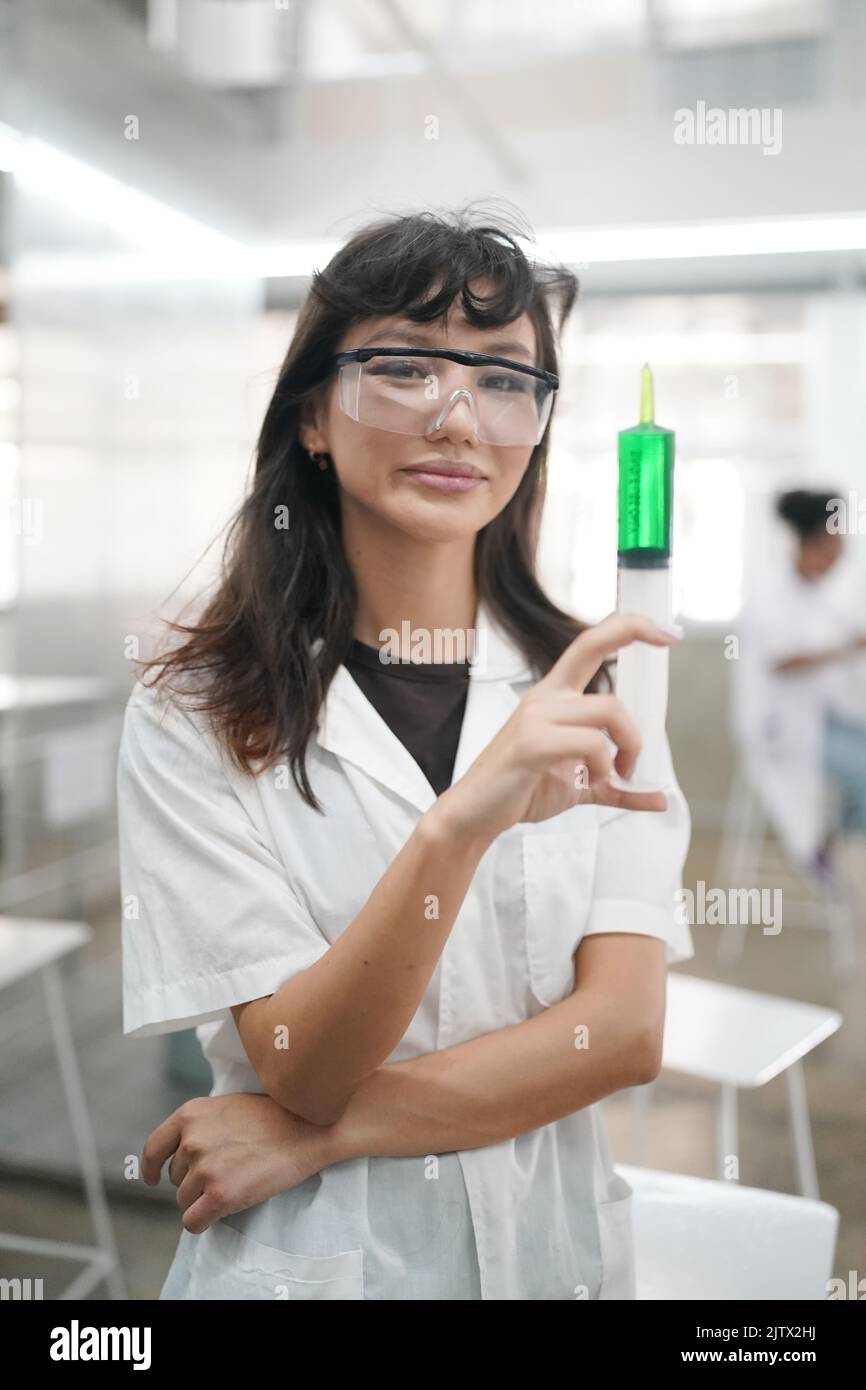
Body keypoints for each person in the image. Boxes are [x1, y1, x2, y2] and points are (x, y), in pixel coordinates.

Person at [117, 203, 693, 1301]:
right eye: (405, 369)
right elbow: (300, 1061)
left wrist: (315, 1136)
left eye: (501, 379)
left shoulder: (601, 683)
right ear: (314, 419)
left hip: (547, 1256)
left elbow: (618, 1033)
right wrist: (462, 820)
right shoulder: (192, 710)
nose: (457, 417)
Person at [734, 488, 866, 886]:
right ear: (816, 543)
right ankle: (823, 847)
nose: (842, 554)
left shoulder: (818, 595)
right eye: (837, 544)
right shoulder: (772, 592)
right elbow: (781, 659)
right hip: (778, 726)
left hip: (819, 718)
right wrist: (847, 648)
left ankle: (827, 843)